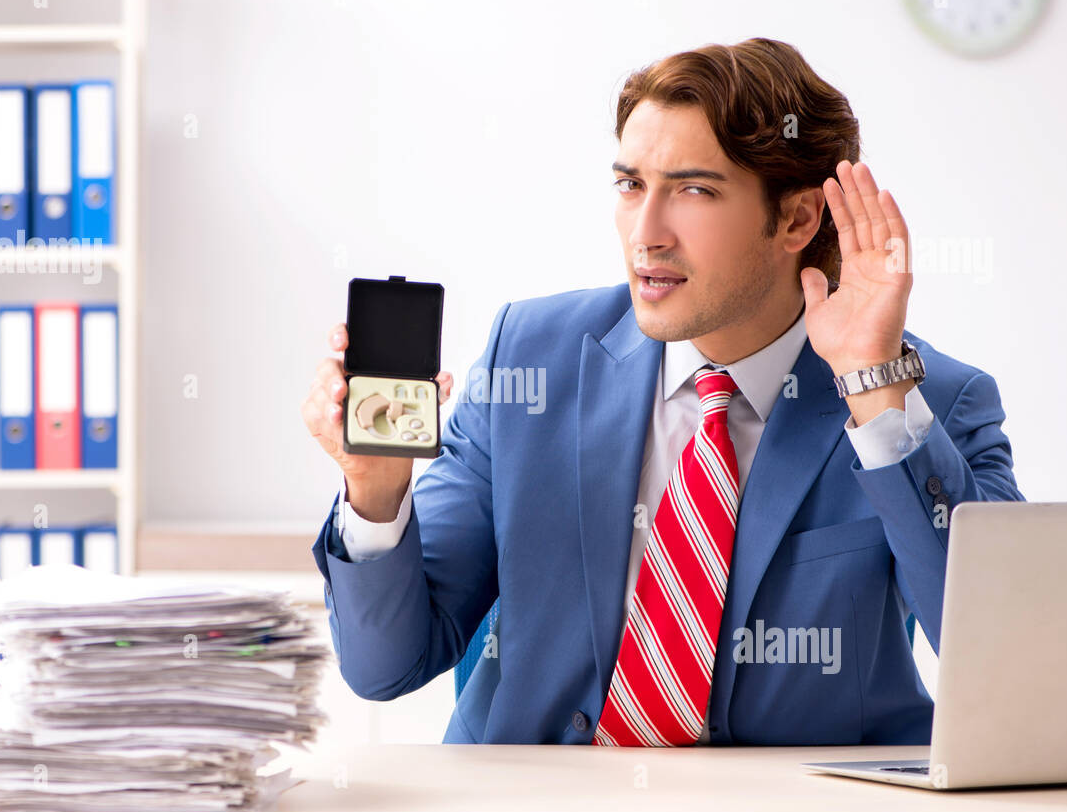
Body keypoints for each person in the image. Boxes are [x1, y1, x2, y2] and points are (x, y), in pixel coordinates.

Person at [301, 37, 1023, 745]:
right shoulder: (531, 358)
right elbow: (385, 666)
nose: (646, 233)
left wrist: (875, 389)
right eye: (631, 185)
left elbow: (1003, 665)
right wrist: (376, 490)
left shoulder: (929, 400)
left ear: (798, 219)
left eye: (693, 190)